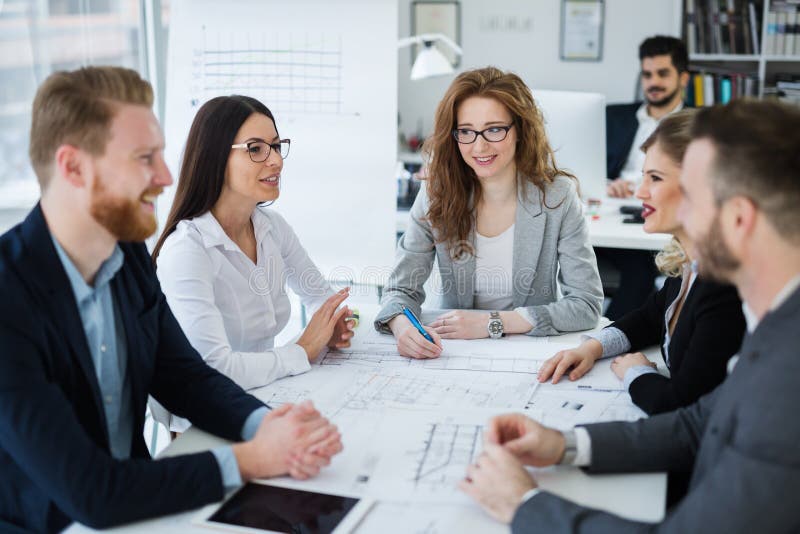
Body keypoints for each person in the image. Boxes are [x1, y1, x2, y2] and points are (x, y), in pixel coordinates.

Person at [0, 67, 342, 533]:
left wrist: (269, 426)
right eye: (144, 158)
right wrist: (253, 458)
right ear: (73, 167)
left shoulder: (127, 255)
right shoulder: (9, 296)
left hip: (141, 507)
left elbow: (185, 377)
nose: (164, 177)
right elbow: (90, 491)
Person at [460, 99, 800, 532]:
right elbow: (698, 425)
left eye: (691, 195)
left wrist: (524, 504)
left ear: (738, 220)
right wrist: (565, 445)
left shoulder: (787, 387)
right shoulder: (776, 324)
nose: (650, 198)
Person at [151, 96, 354, 432]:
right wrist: (302, 349)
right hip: (205, 423)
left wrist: (335, 325)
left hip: (265, 397)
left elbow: (322, 298)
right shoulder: (187, 250)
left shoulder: (272, 227)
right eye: (256, 149)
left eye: (276, 146)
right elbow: (214, 369)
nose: (276, 160)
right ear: (216, 157)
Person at [374, 67, 603, 359]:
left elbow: (586, 304)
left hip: (530, 351)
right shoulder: (436, 193)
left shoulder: (557, 196)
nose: (479, 146)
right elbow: (399, 291)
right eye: (466, 132)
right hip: (453, 350)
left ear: (520, 130)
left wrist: (492, 323)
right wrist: (403, 327)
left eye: (494, 129)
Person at [538, 110, 745, 416]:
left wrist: (635, 372)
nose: (639, 192)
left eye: (655, 178)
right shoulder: (689, 263)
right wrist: (592, 348)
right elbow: (649, 318)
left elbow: (681, 405)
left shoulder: (724, 288)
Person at [599, 35, 691, 320]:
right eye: (647, 74)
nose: (653, 82)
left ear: (683, 78)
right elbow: (588, 171)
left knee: (638, 270)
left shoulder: (695, 125)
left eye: (663, 73)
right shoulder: (613, 117)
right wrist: (608, 184)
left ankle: (609, 335)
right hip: (613, 215)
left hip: (662, 221)